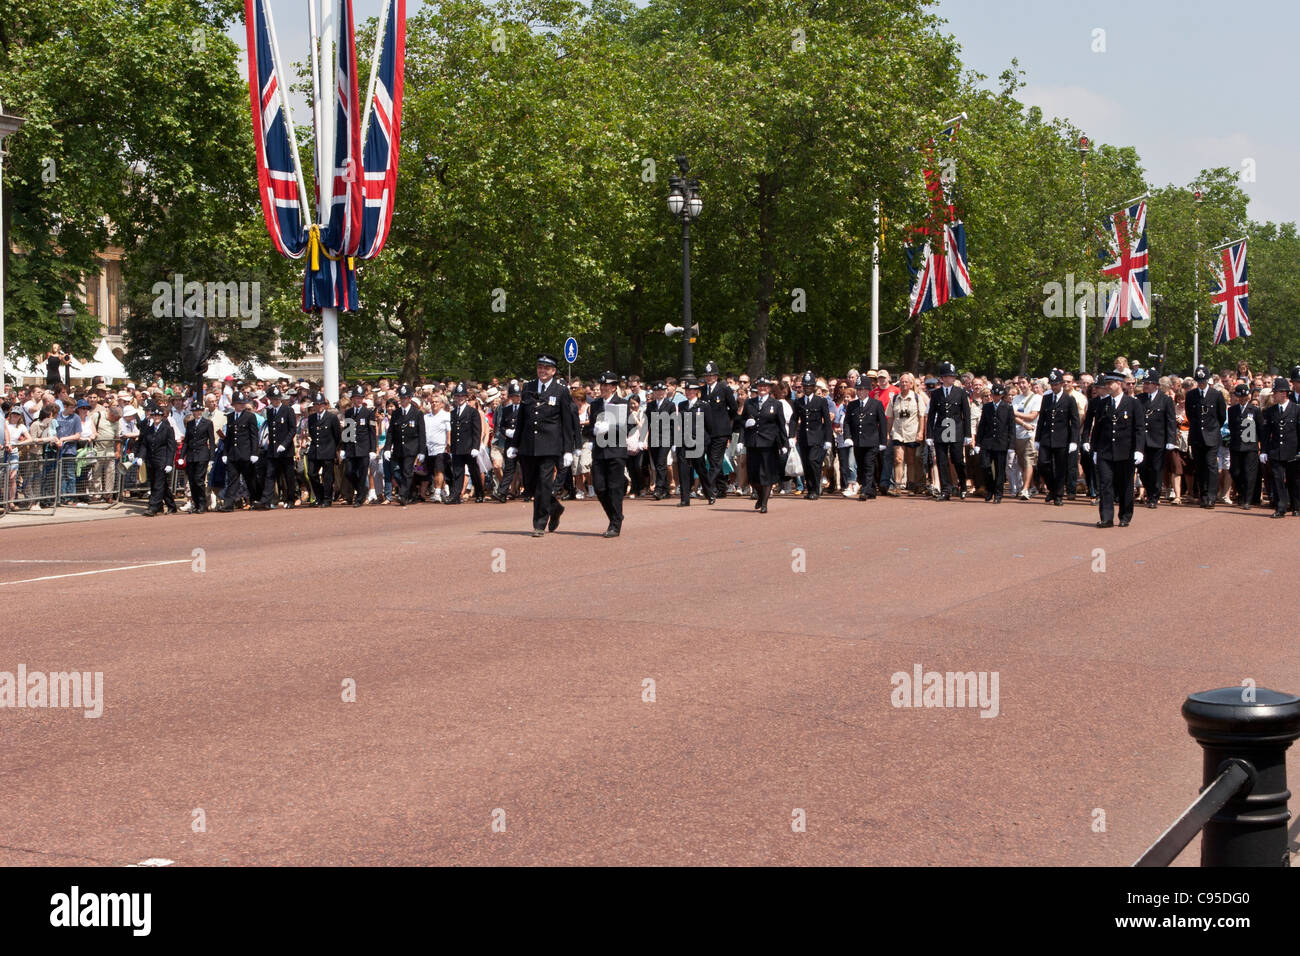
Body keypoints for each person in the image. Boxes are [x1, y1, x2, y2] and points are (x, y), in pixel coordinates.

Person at [507, 353, 577, 536]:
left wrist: (568, 449)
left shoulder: (560, 390)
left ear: (553, 371)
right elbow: (522, 417)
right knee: (530, 485)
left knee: (545, 484)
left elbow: (567, 421)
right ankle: (555, 508)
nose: (542, 371)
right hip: (528, 444)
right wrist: (514, 444)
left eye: (546, 368)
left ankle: (539, 524)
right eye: (540, 367)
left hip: (550, 445)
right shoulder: (528, 387)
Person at [1084, 370, 1144, 528]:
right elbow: (1098, 428)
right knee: (1105, 484)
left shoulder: (1133, 403)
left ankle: (1125, 516)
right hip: (1106, 451)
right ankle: (1106, 517)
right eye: (1107, 383)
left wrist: (1139, 449)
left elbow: (1139, 428)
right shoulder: (1103, 404)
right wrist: (1095, 449)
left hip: (1125, 451)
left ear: (1120, 384)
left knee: (1125, 485)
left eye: (1111, 383)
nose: (1108, 386)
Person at [586, 371, 629, 536]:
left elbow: (627, 427)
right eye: (602, 385)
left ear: (614, 387)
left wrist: (609, 429)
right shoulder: (596, 405)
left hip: (616, 451)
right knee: (600, 488)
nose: (603, 388)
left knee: (614, 488)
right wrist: (594, 431)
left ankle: (615, 525)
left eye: (607, 385)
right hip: (599, 451)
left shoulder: (621, 404)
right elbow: (590, 428)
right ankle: (616, 516)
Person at [741, 376, 790, 513]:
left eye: (765, 386)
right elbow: (742, 421)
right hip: (753, 442)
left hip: (769, 443)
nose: (762, 388)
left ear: (769, 388)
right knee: (753, 476)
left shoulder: (776, 404)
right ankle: (761, 495)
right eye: (760, 386)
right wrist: (743, 432)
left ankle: (764, 504)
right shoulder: (749, 403)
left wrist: (785, 443)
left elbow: (781, 426)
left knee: (766, 474)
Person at [926, 361, 971, 500]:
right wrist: (929, 434)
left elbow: (966, 414)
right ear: (942, 378)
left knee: (958, 460)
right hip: (941, 429)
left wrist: (967, 434)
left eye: (952, 376)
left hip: (956, 428)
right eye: (947, 376)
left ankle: (962, 485)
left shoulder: (961, 393)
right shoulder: (936, 394)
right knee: (941, 461)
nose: (950, 378)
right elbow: (932, 415)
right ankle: (946, 489)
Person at [1034, 370, 1079, 506]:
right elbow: (1042, 419)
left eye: (1056, 384)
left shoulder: (1069, 399)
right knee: (1042, 464)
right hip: (1047, 437)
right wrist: (1037, 438)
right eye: (1052, 385)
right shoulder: (1047, 398)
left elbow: (1075, 421)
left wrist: (1073, 441)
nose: (1053, 387)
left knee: (1060, 468)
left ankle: (1058, 495)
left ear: (1061, 384)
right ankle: (1053, 489)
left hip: (1062, 438)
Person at [1184, 365, 1227, 508]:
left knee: (1211, 466)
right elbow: (1190, 415)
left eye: (1203, 381)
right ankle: (1203, 494)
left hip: (1212, 435)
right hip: (1197, 436)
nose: (1201, 383)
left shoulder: (1216, 395)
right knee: (1200, 466)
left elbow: (1221, 416)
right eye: (1199, 381)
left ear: (1208, 380)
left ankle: (1211, 496)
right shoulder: (1191, 395)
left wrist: (1213, 430)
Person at [1135, 373, 1176, 508]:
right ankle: (1149, 490)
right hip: (1142, 441)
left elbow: (1170, 421)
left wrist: (1171, 439)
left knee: (1156, 469)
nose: (1145, 386)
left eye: (1148, 383)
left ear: (1156, 385)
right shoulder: (1138, 399)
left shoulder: (1165, 400)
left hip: (1158, 440)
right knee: (1142, 469)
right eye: (1144, 383)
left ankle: (1154, 496)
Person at [1261, 377, 1299, 518]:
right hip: (1276, 450)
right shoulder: (1270, 411)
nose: (1274, 395)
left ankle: (1296, 506)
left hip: (1292, 451)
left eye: (1276, 392)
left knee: (1293, 480)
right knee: (1277, 479)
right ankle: (1281, 507)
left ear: (1284, 393)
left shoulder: (1296, 409)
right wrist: (1263, 450)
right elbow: (1266, 433)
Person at [217, 391, 262, 511]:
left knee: (250, 479)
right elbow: (229, 437)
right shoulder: (230, 417)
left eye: (243, 403)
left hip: (246, 454)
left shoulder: (250, 416)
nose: (241, 405)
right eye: (238, 403)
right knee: (232, 480)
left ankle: (255, 500)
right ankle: (228, 504)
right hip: (233, 454)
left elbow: (254, 436)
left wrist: (254, 453)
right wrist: (225, 453)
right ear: (234, 404)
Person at [842, 383, 887, 500]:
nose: (859, 392)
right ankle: (871, 489)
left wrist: (883, 442)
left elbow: (882, 424)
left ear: (868, 391)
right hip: (857, 441)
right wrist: (847, 436)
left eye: (862, 389)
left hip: (871, 441)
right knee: (861, 467)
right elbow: (847, 422)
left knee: (869, 465)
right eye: (858, 389)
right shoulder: (852, 405)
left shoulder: (876, 404)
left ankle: (865, 490)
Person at [792, 370, 831, 499]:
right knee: (806, 464)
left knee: (813, 461)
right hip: (804, 437)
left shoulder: (821, 401)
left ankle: (815, 487)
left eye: (810, 386)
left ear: (814, 387)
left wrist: (828, 439)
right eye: (805, 386)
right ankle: (810, 490)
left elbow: (827, 421)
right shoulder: (798, 402)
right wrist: (792, 436)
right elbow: (794, 419)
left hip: (817, 437)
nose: (807, 389)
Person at [674, 377, 713, 506]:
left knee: (700, 469)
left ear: (696, 391)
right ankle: (685, 499)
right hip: (684, 441)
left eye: (691, 390)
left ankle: (709, 493)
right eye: (686, 390)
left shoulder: (704, 406)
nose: (688, 392)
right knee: (683, 470)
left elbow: (709, 426)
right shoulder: (682, 405)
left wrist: (704, 442)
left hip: (698, 442)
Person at [385, 383, 426, 506]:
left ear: (410, 398)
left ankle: (403, 495)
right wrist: (387, 448)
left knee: (407, 472)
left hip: (411, 448)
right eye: (401, 398)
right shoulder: (396, 413)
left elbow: (422, 433)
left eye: (405, 398)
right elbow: (391, 432)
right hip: (398, 448)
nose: (403, 400)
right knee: (397, 472)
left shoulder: (417, 413)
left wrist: (421, 451)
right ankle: (410, 493)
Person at [701, 360, 736, 499]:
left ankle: (707, 486)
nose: (709, 377)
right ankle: (722, 487)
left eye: (712, 375)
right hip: (707, 431)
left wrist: (726, 422)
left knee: (715, 459)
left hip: (721, 430)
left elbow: (733, 408)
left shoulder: (724, 389)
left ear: (716, 376)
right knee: (712, 459)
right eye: (707, 375)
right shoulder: (702, 391)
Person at [975, 384, 1015, 502]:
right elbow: (982, 426)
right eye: (994, 395)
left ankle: (998, 493)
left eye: (998, 395)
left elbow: (1011, 428)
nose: (996, 397)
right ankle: (990, 489)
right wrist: (978, 443)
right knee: (985, 466)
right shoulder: (987, 407)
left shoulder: (1007, 407)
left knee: (999, 470)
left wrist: (1011, 446)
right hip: (987, 442)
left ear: (1002, 395)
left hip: (1001, 442)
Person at [447, 382, 484, 503]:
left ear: (466, 397)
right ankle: (456, 495)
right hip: (457, 447)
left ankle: (479, 493)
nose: (459, 398)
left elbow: (477, 431)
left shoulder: (472, 412)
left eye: (462, 396)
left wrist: (475, 447)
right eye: (457, 396)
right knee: (457, 472)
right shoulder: (452, 413)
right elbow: (452, 431)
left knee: (474, 471)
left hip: (469, 447)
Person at [261, 386, 297, 509]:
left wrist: (284, 444)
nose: (275, 401)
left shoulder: (288, 410)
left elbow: (292, 430)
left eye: (277, 399)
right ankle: (266, 500)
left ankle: (291, 499)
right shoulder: (270, 411)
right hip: (273, 449)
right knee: (270, 475)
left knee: (288, 476)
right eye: (273, 399)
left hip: (285, 450)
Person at [1227, 382, 1262, 511]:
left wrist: (1260, 446)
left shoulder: (1255, 410)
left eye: (1244, 396)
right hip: (1236, 446)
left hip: (1250, 447)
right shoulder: (1232, 410)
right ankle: (1241, 492)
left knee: (1249, 474)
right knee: (1235, 471)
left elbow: (1260, 428)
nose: (1242, 399)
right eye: (1239, 397)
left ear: (1248, 396)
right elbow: (1232, 427)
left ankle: (1247, 499)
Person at [139, 402, 178, 517]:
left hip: (162, 460)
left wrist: (169, 463)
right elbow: (144, 444)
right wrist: (141, 456)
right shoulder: (149, 429)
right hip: (151, 460)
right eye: (154, 416)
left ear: (162, 417)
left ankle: (152, 507)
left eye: (158, 416)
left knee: (158, 484)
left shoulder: (168, 429)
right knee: (158, 484)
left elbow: (171, 447)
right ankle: (170, 505)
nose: (156, 418)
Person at [342, 384, 378, 507]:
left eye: (360, 398)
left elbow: (372, 432)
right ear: (352, 399)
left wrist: (373, 449)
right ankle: (362, 490)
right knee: (349, 472)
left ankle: (359, 498)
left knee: (362, 474)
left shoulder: (368, 413)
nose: (358, 400)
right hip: (351, 448)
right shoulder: (348, 413)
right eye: (356, 398)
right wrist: (343, 448)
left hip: (364, 448)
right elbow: (346, 431)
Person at [305, 392, 342, 507]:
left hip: (327, 450)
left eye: (321, 404)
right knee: (311, 473)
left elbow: (337, 435)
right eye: (316, 404)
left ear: (325, 405)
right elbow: (312, 433)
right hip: (314, 450)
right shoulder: (311, 418)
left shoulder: (331, 417)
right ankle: (319, 496)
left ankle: (326, 499)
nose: (319, 406)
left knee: (327, 477)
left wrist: (333, 449)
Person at [181, 399, 215, 513]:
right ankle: (196, 504)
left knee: (199, 480)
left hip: (202, 453)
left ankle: (202, 503)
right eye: (195, 411)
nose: (197, 413)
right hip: (191, 454)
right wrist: (182, 456)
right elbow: (186, 440)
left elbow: (211, 439)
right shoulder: (190, 424)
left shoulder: (208, 423)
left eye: (199, 410)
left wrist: (211, 457)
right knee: (192, 480)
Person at [492, 383, 522, 501]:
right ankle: (502, 492)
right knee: (509, 467)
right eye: (514, 396)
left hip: (523, 442)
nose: (516, 398)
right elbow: (502, 426)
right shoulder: (506, 410)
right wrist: (507, 432)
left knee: (526, 468)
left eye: (518, 396)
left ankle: (530, 491)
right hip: (510, 443)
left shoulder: (525, 408)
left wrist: (519, 432)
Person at [645, 381, 673, 499]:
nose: (659, 393)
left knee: (661, 463)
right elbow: (647, 423)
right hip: (654, 438)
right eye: (657, 391)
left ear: (665, 391)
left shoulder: (670, 405)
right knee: (657, 464)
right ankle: (665, 489)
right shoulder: (650, 405)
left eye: (662, 390)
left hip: (666, 438)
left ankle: (659, 488)